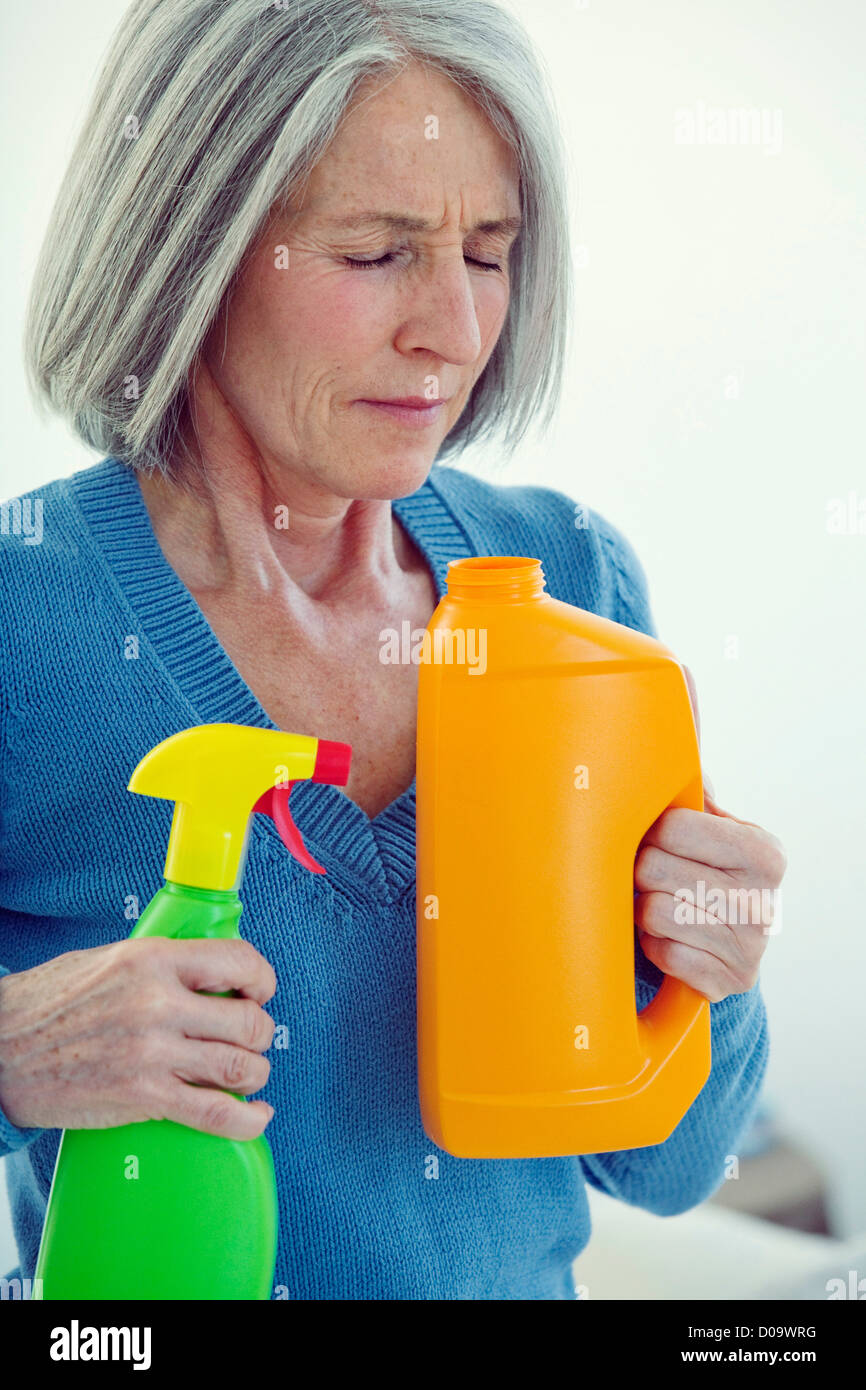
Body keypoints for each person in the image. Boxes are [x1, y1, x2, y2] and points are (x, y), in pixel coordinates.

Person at [0, 0, 785, 1300]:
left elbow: (664, 1165)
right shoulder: (29, 617)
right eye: (376, 252)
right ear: (188, 247)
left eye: (488, 252)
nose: (457, 333)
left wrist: (710, 968)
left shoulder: (576, 584)